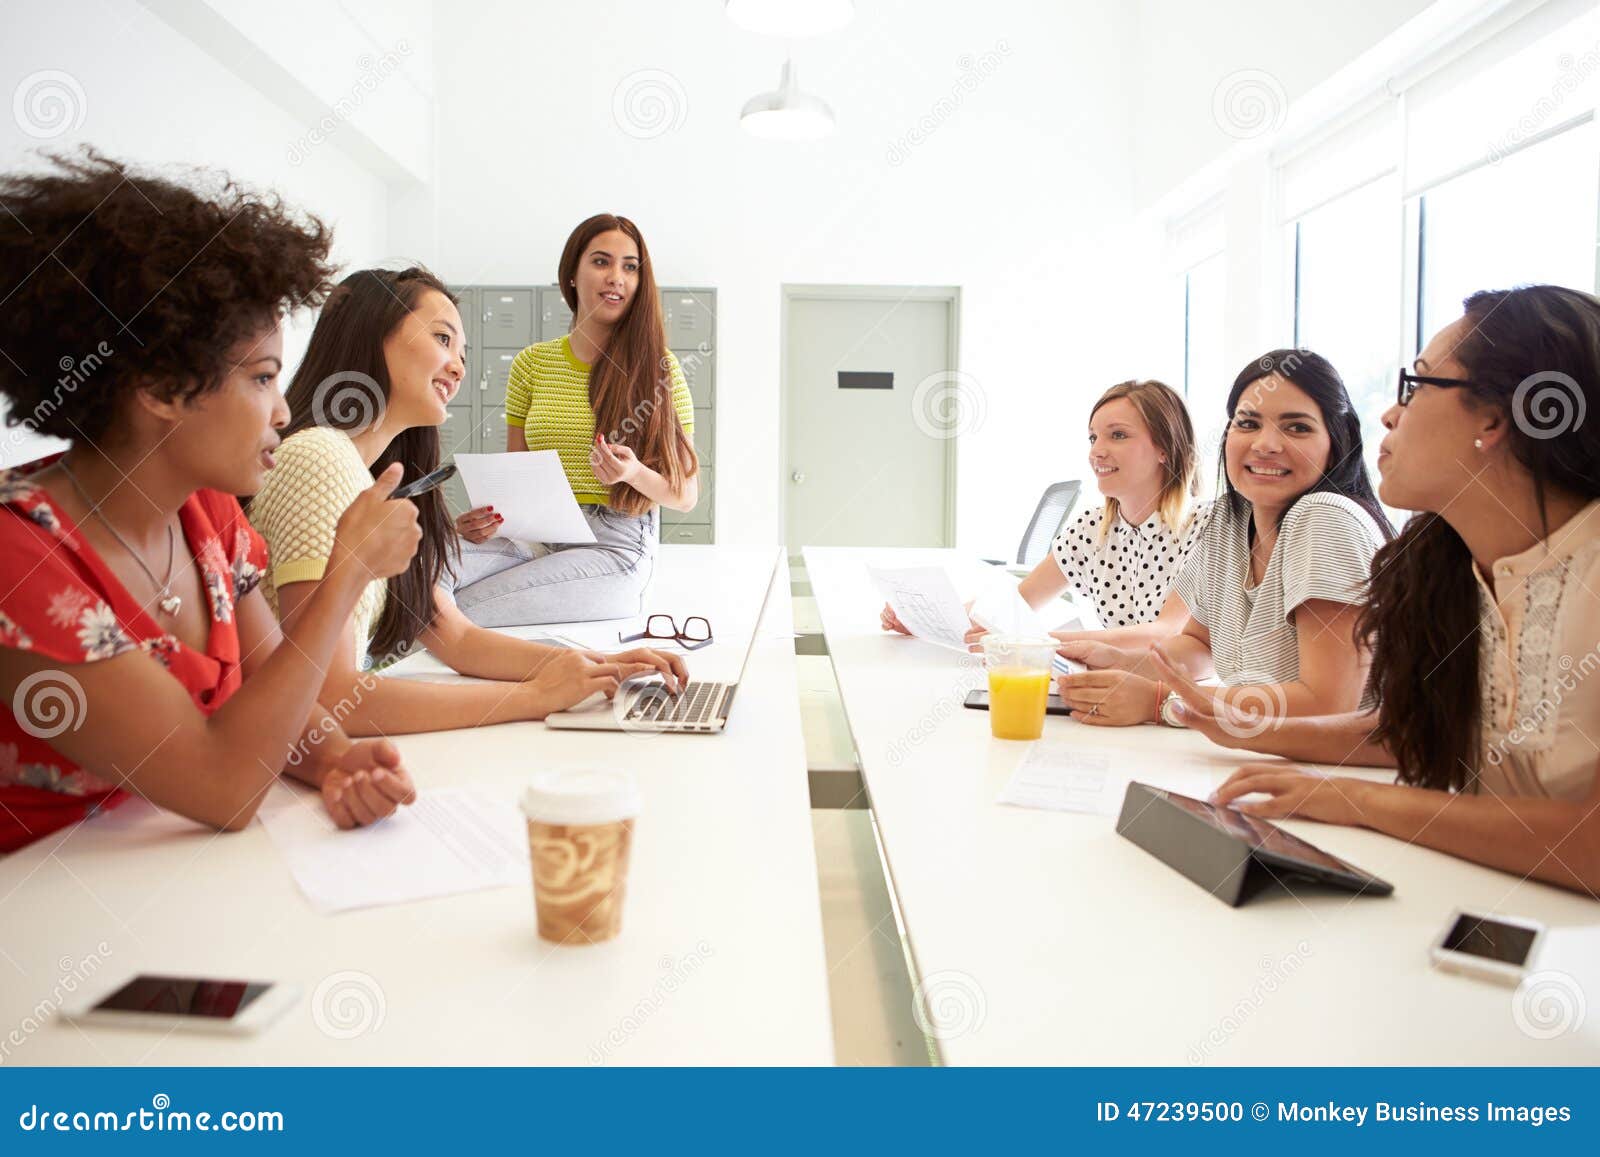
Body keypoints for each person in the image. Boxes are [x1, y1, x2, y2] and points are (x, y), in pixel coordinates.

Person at [0, 152, 424, 853]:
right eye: (261, 378)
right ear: (163, 389)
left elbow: (271, 698)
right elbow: (224, 785)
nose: (284, 411)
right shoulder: (20, 557)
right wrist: (346, 570)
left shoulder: (209, 518)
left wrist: (333, 756)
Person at [1153, 286, 1600, 895]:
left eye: (1415, 388)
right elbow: (1414, 735)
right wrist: (1238, 724)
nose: (1390, 415)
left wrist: (1352, 800)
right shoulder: (1452, 567)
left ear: (1495, 419)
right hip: (1491, 907)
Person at [248, 266, 688, 736]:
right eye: (442, 339)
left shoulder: (376, 481)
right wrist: (535, 698)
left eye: (463, 352)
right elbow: (331, 697)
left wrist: (601, 666)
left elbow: (456, 638)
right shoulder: (320, 458)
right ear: (373, 334)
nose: (458, 367)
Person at [1058, 349, 1392, 725]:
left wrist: (1161, 701)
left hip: (1337, 776)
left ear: (1336, 444)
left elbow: (1330, 704)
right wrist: (1118, 662)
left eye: (1297, 427)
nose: (1266, 444)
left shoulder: (1326, 518)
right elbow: (1200, 646)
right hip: (1267, 759)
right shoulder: (1228, 520)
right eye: (1248, 424)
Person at [449, 213, 699, 625]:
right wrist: (486, 521)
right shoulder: (532, 364)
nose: (616, 277)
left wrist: (633, 473)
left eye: (630, 267)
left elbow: (685, 495)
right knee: (423, 571)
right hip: (537, 538)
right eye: (601, 262)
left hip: (616, 546)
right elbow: (517, 478)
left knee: (458, 612)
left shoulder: (661, 370)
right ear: (571, 274)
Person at [880, 379, 1209, 646]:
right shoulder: (1093, 528)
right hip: (1118, 689)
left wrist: (1036, 642)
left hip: (1181, 701)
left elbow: (1166, 633)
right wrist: (924, 619)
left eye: (1118, 435)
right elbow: (1015, 605)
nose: (1097, 451)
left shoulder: (1207, 528)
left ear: (1165, 448)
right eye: (1093, 437)